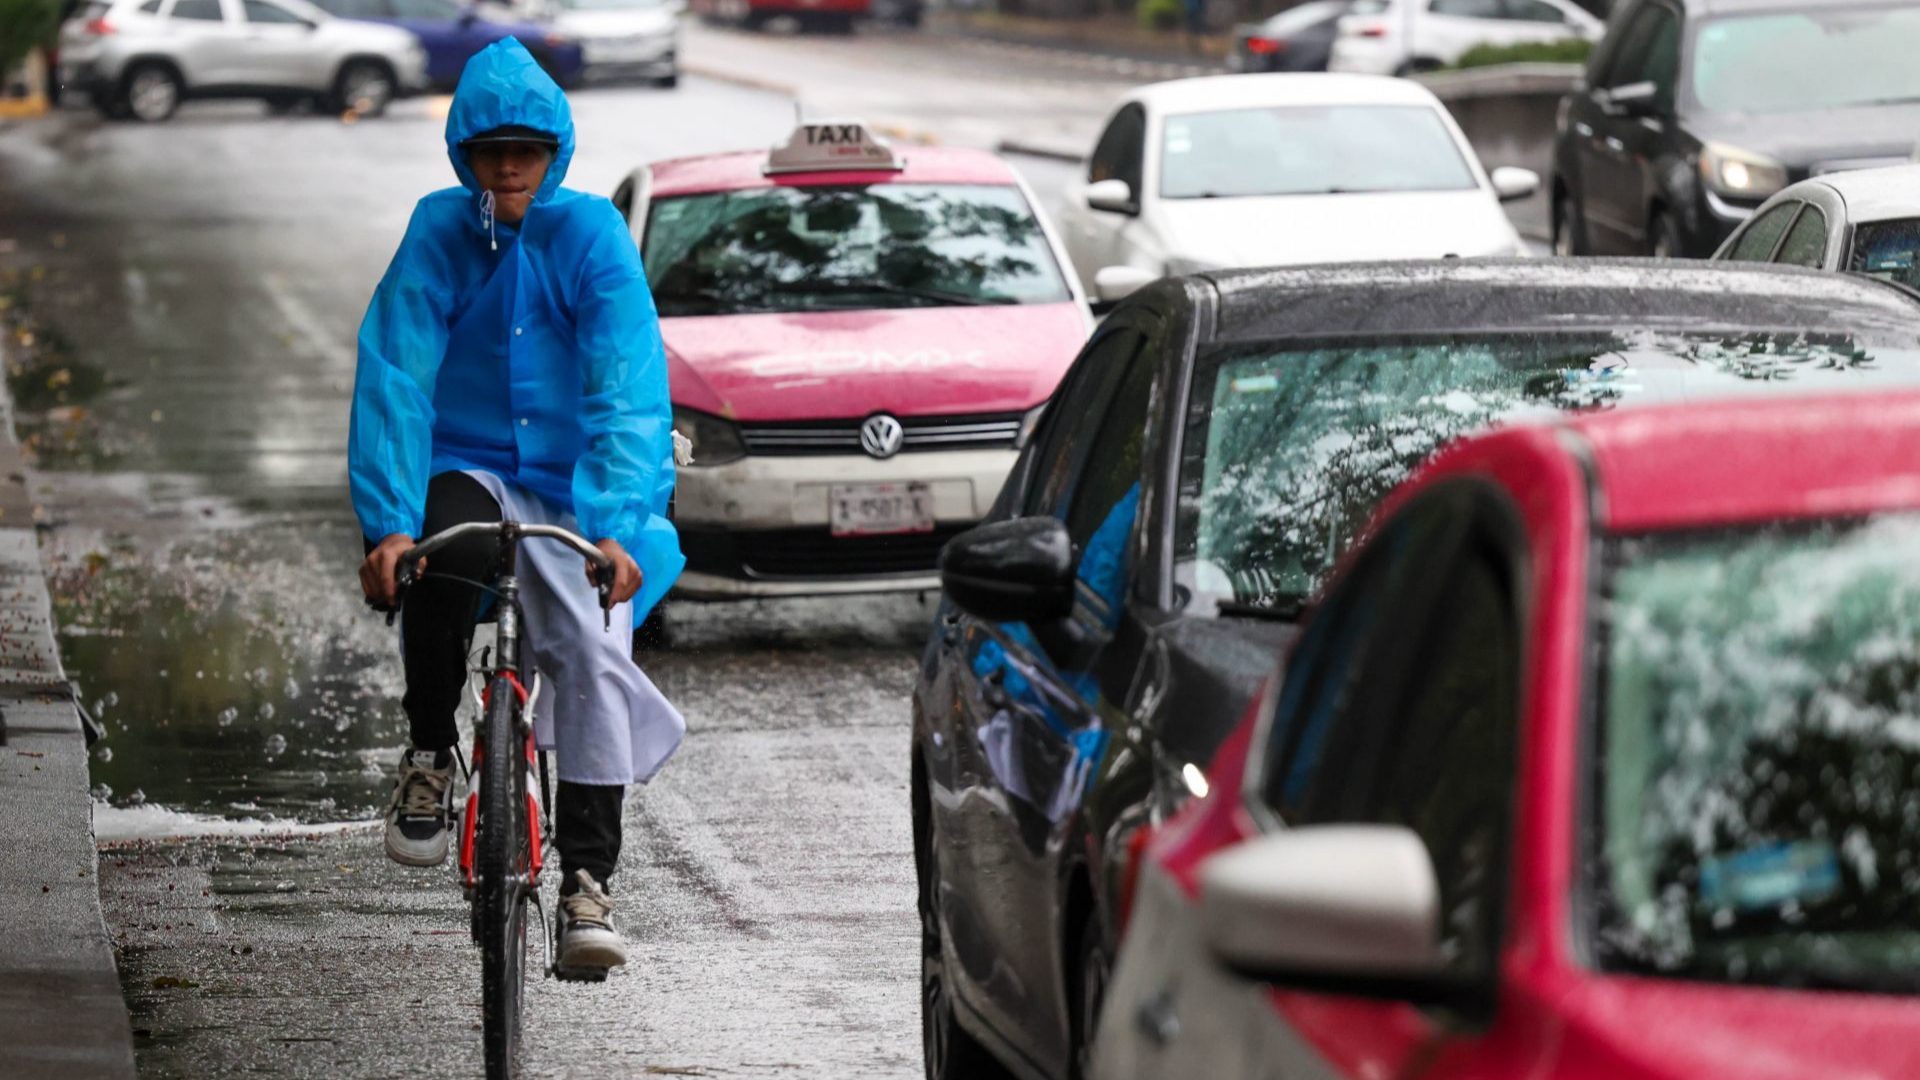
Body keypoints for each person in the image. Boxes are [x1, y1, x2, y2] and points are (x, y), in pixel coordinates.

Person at [348, 37, 685, 979]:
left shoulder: (592, 238)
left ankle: (588, 882)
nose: (507, 166)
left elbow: (627, 385)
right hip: (469, 463)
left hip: (577, 479)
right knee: (444, 564)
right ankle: (427, 752)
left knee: (589, 649)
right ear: (464, 154)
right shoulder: (438, 231)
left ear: (555, 153)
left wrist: (617, 524)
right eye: (490, 148)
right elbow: (396, 373)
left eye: (526, 150)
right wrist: (388, 525)